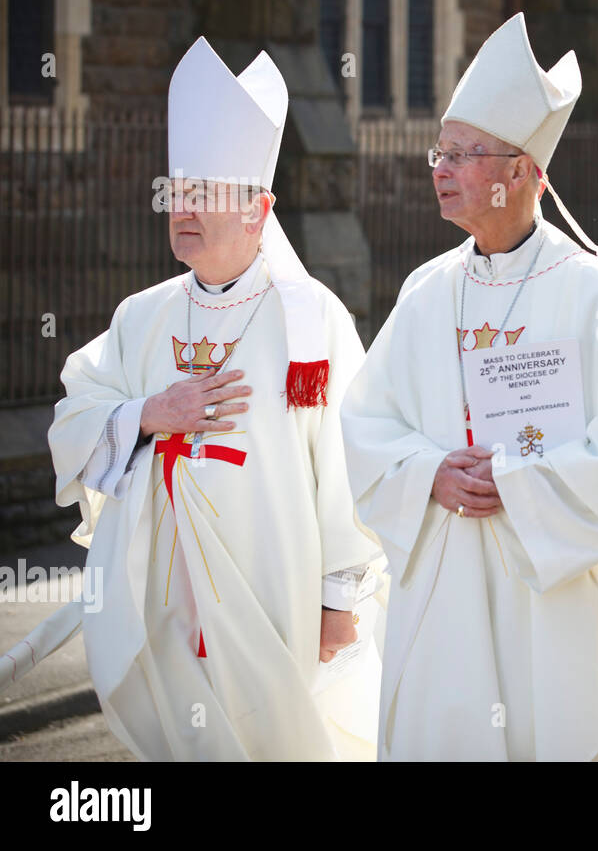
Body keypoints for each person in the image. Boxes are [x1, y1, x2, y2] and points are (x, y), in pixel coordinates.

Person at [339, 13, 598, 761]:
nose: (440, 169)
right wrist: (429, 473)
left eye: (462, 155)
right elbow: (365, 421)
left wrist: (520, 482)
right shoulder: (425, 292)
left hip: (549, 584)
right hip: (445, 573)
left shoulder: (597, 296)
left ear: (521, 171)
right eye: (439, 152)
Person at [7, 38, 384, 760]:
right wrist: (150, 413)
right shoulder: (141, 316)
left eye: (206, 194)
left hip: (278, 592)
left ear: (258, 208)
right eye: (178, 191)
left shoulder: (310, 319)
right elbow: (72, 417)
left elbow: (347, 465)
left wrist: (340, 601)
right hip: (162, 595)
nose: (184, 208)